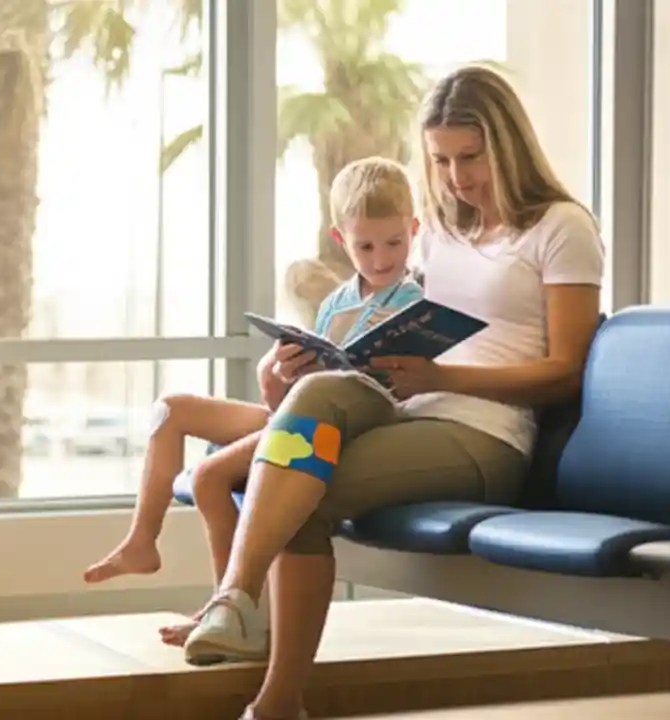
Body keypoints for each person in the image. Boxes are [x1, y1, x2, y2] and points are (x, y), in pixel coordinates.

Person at [180, 65, 604, 720]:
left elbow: (565, 370)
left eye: (471, 156)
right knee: (317, 392)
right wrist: (287, 373)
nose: (457, 177)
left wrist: (442, 377)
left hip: (486, 435)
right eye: (440, 160)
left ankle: (274, 700)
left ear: (508, 144)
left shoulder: (559, 226)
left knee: (304, 496)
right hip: (409, 410)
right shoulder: (436, 229)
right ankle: (236, 600)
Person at [83, 156, 425, 615]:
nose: (381, 259)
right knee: (170, 409)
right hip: (305, 414)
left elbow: (409, 392)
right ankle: (142, 541)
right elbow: (293, 398)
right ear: (340, 240)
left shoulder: (415, 299)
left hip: (354, 431)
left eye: (394, 243)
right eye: (365, 247)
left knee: (208, 478)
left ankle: (230, 610)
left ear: (414, 230)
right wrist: (284, 374)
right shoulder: (337, 302)